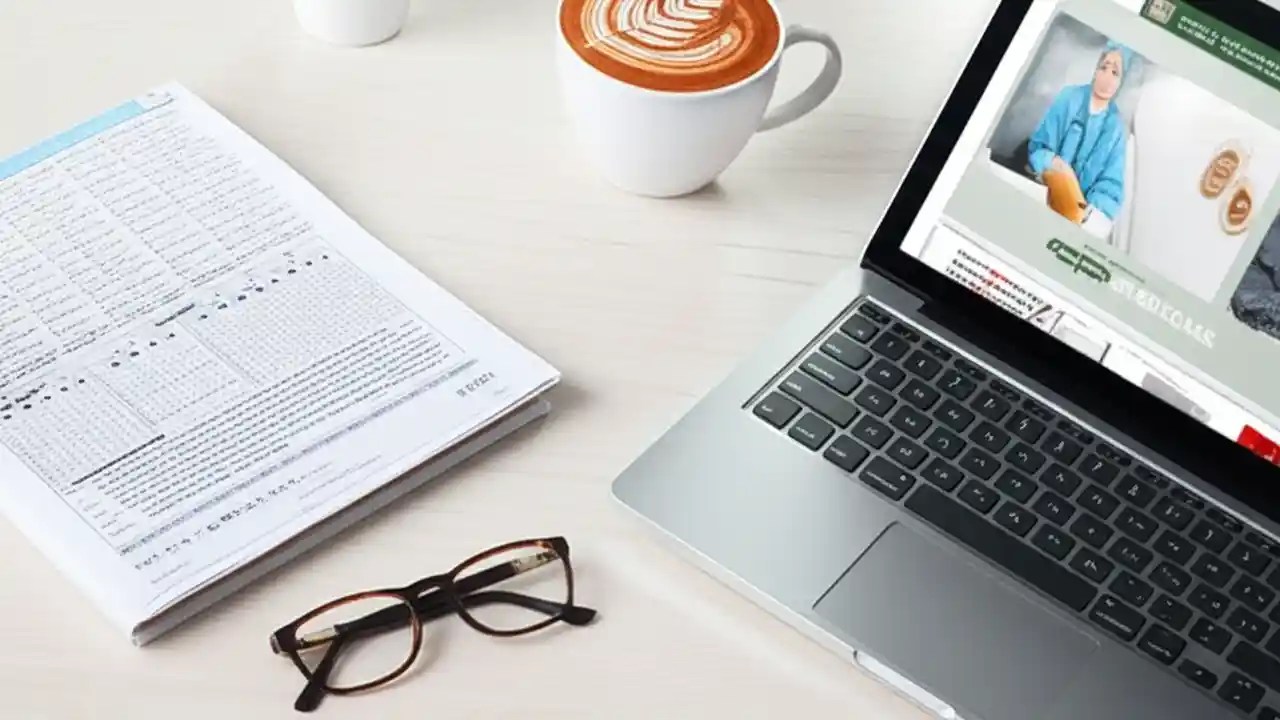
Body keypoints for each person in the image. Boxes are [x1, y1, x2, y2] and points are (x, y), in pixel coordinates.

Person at [1028, 41, 1134, 229]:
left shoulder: (1115, 129)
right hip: (1042, 197)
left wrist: (1090, 212)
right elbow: (1038, 147)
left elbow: (1110, 187)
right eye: (1103, 68)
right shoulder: (1069, 98)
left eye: (1115, 73)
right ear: (1095, 70)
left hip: (1077, 221)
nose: (1106, 77)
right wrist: (1052, 162)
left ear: (1121, 82)